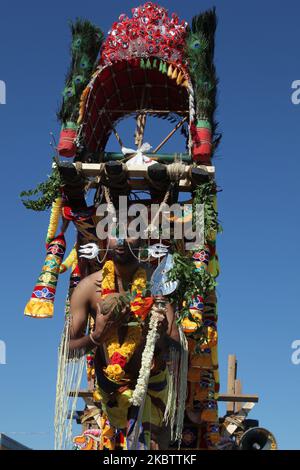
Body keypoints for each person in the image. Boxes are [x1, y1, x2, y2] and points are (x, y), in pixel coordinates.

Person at [69, 236, 180, 449]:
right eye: (113, 231)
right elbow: (67, 350)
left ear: (143, 240)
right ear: (104, 240)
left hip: (151, 386)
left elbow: (178, 352)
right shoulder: (88, 288)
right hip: (110, 388)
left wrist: (160, 335)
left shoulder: (156, 284)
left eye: (130, 231)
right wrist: (97, 336)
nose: (120, 239)